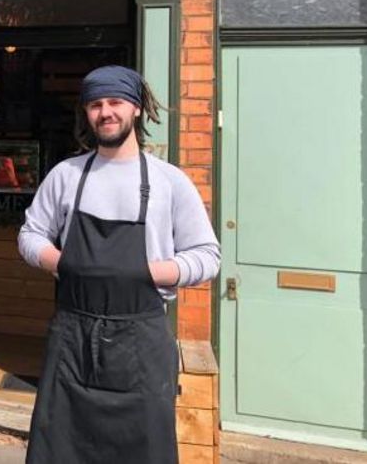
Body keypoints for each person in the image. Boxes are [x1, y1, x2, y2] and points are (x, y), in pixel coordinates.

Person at [18, 65, 220, 463]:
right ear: (87, 113)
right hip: (72, 337)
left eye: (115, 102)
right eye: (95, 104)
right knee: (59, 449)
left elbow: (207, 256)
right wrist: (64, 262)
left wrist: (147, 271)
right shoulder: (66, 176)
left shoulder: (170, 182)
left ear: (136, 109)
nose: (105, 112)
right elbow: (29, 235)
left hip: (140, 342)